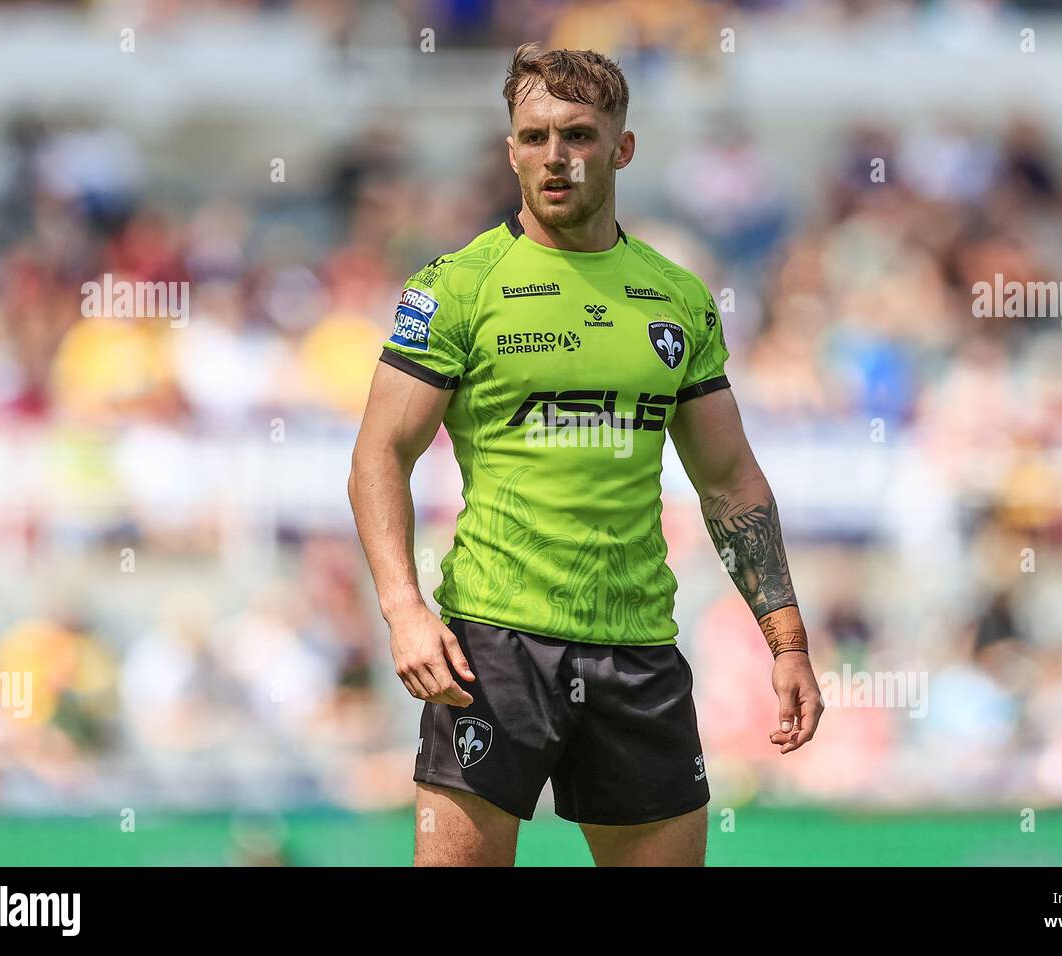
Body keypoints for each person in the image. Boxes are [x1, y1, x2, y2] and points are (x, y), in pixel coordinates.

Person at [347, 43, 822, 866]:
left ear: (623, 148)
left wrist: (787, 644)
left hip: (638, 650)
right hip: (491, 649)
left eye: (577, 135)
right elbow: (378, 455)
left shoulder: (677, 296)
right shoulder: (456, 286)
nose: (554, 157)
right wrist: (404, 610)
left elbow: (730, 481)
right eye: (533, 138)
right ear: (510, 150)